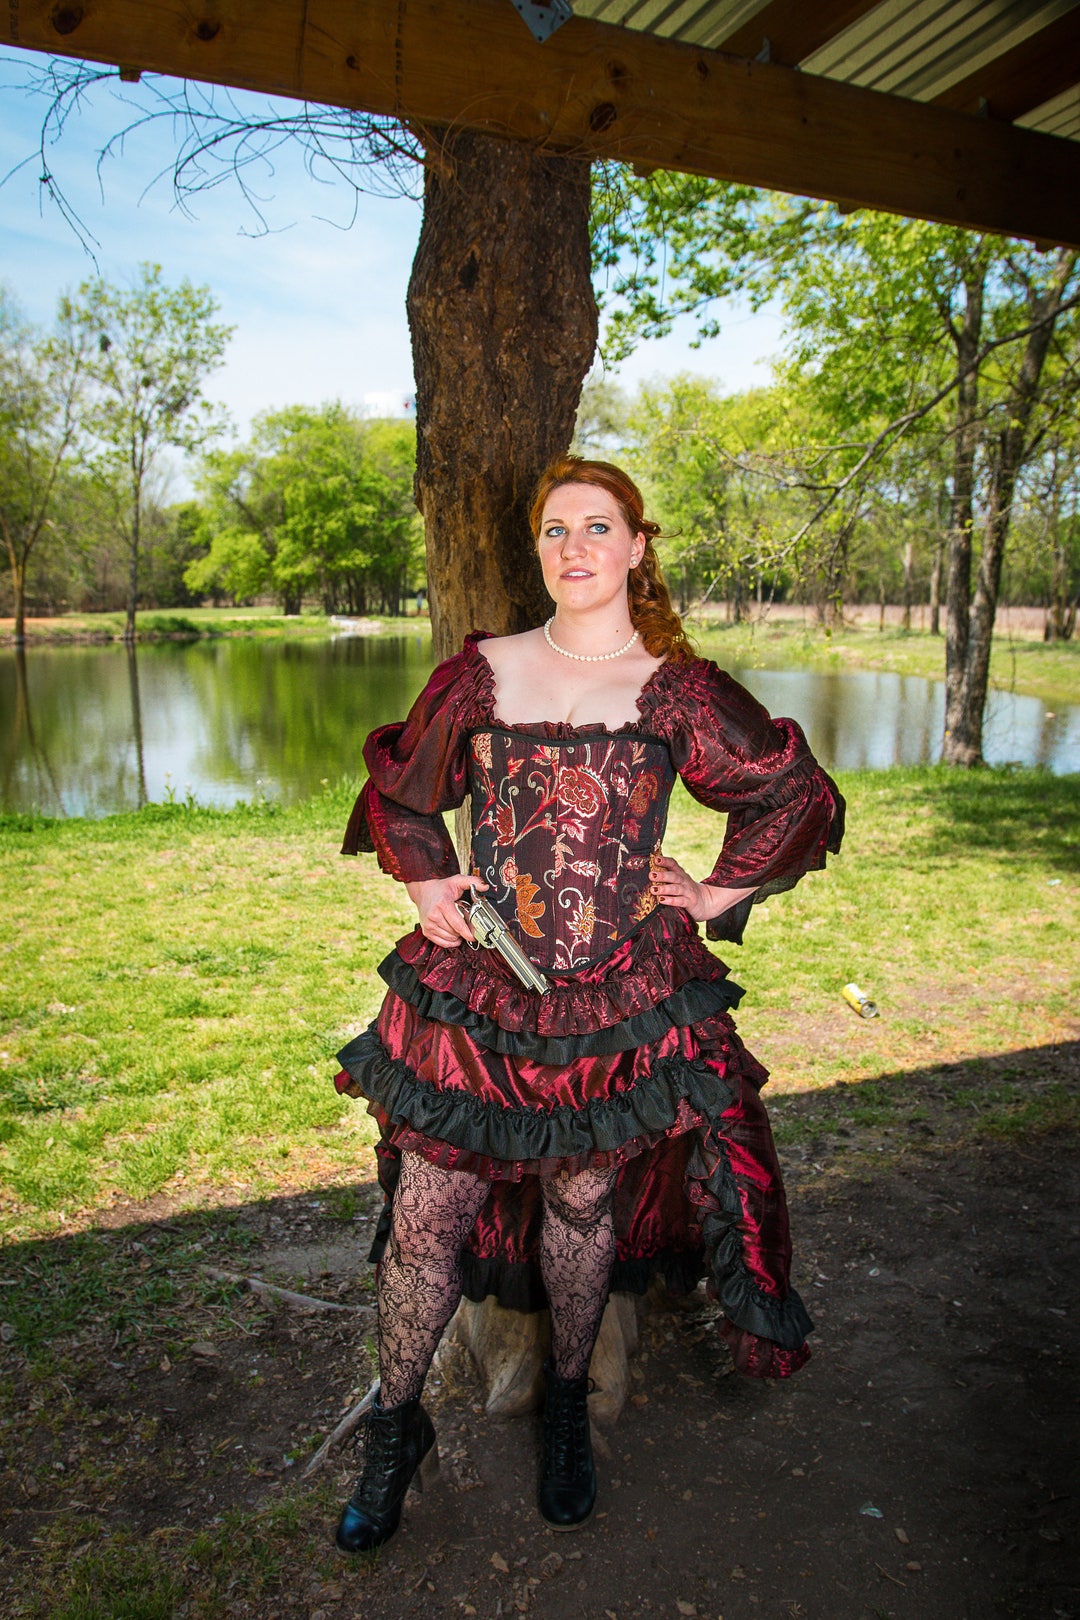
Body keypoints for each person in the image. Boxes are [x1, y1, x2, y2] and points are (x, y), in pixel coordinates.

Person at [332, 456, 844, 1553]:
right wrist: (427, 881)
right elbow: (405, 788)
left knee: (579, 1205)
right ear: (541, 550)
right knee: (429, 1210)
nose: (576, 547)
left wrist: (714, 891)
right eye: (557, 529)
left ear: (637, 545)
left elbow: (792, 792)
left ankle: (569, 1406)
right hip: (481, 994)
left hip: (615, 1002)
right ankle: (395, 1428)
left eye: (598, 527)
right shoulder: (484, 672)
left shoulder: (677, 687)